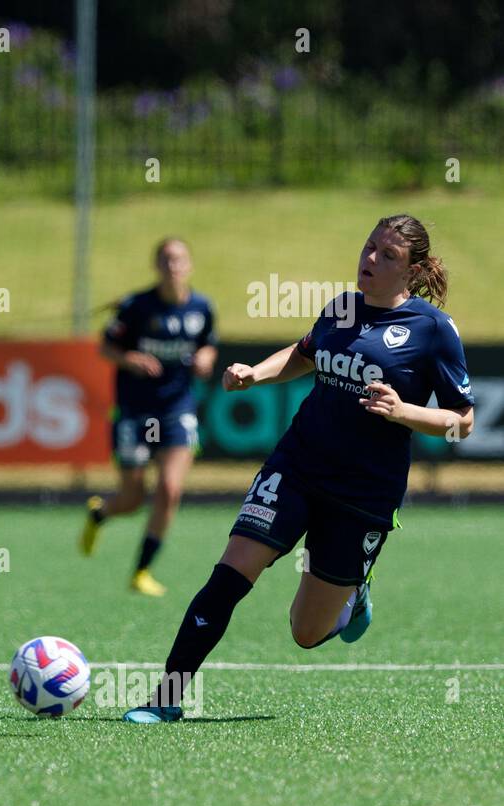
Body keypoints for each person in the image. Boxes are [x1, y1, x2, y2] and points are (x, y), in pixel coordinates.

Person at [124, 214, 475, 723]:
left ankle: (353, 595)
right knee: (231, 572)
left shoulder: (434, 330)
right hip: (298, 464)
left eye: (388, 255)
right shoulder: (341, 308)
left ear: (412, 270)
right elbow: (304, 352)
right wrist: (255, 374)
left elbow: (462, 422)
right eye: (369, 246)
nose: (370, 260)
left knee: (305, 632)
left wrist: (404, 412)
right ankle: (166, 697)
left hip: (363, 493)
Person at [80, 238, 217, 596]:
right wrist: (130, 359)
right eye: (167, 260)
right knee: (131, 498)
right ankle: (101, 513)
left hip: (177, 411)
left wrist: (206, 357)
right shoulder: (137, 306)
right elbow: (106, 346)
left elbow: (208, 343)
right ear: (156, 266)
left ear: (189, 266)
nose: (174, 266)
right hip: (135, 412)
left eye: (180, 259)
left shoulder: (202, 307)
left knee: (170, 490)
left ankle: (140, 571)